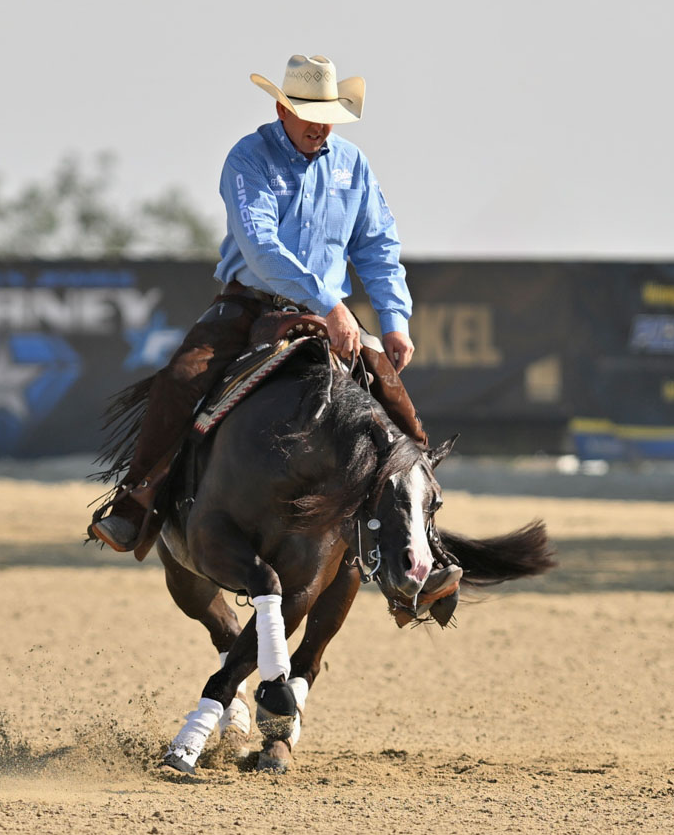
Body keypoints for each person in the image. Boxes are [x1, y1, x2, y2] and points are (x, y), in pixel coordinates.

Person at [89, 53, 428, 551]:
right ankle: (136, 501)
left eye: (329, 118)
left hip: (327, 312)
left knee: (398, 409)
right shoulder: (248, 159)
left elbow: (377, 245)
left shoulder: (352, 165)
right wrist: (331, 305)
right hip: (252, 305)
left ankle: (419, 527)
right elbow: (262, 246)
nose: (322, 129)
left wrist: (395, 320)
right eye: (311, 117)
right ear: (281, 110)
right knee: (182, 379)